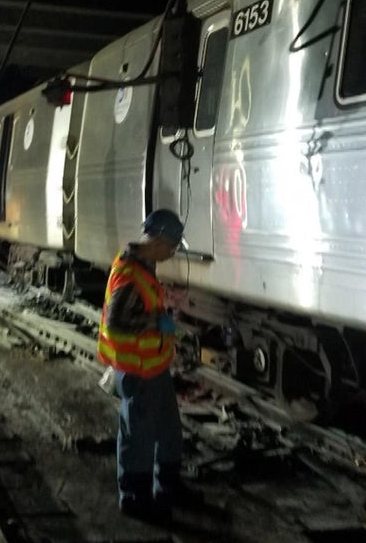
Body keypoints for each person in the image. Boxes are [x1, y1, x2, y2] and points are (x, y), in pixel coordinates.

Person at [98, 208, 201, 521]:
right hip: (136, 369)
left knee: (168, 429)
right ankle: (134, 497)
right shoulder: (130, 273)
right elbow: (117, 322)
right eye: (171, 246)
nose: (172, 253)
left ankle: (167, 485)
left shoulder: (144, 264)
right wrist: (159, 324)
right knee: (138, 435)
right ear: (158, 239)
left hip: (153, 365)